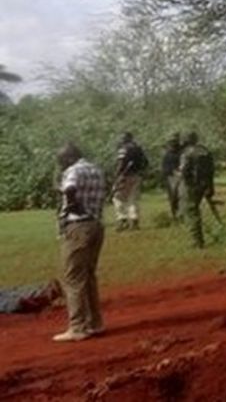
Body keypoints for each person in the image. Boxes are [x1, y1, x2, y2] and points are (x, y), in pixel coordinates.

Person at [54, 143, 106, 341]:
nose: (61, 166)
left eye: (62, 161)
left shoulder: (73, 171)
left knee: (74, 277)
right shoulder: (95, 170)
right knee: (89, 275)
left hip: (77, 226)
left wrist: (72, 205)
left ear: (68, 158)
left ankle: (77, 327)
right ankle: (95, 322)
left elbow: (70, 188)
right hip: (96, 225)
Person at [178, 132, 215, 248]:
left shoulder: (187, 153)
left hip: (191, 186)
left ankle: (197, 241)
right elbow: (212, 170)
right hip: (204, 184)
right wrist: (210, 186)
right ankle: (198, 239)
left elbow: (184, 171)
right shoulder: (205, 151)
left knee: (191, 212)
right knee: (195, 210)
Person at [112, 132, 148, 231]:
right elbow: (145, 162)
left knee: (117, 198)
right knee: (133, 198)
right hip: (136, 175)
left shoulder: (123, 149)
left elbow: (121, 163)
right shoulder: (139, 149)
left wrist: (117, 175)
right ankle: (134, 221)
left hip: (124, 176)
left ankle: (122, 220)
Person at [161, 134, 182, 222]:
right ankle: (175, 214)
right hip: (171, 177)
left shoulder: (180, 153)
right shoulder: (168, 154)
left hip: (178, 177)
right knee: (173, 197)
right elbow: (165, 168)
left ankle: (178, 214)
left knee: (178, 197)